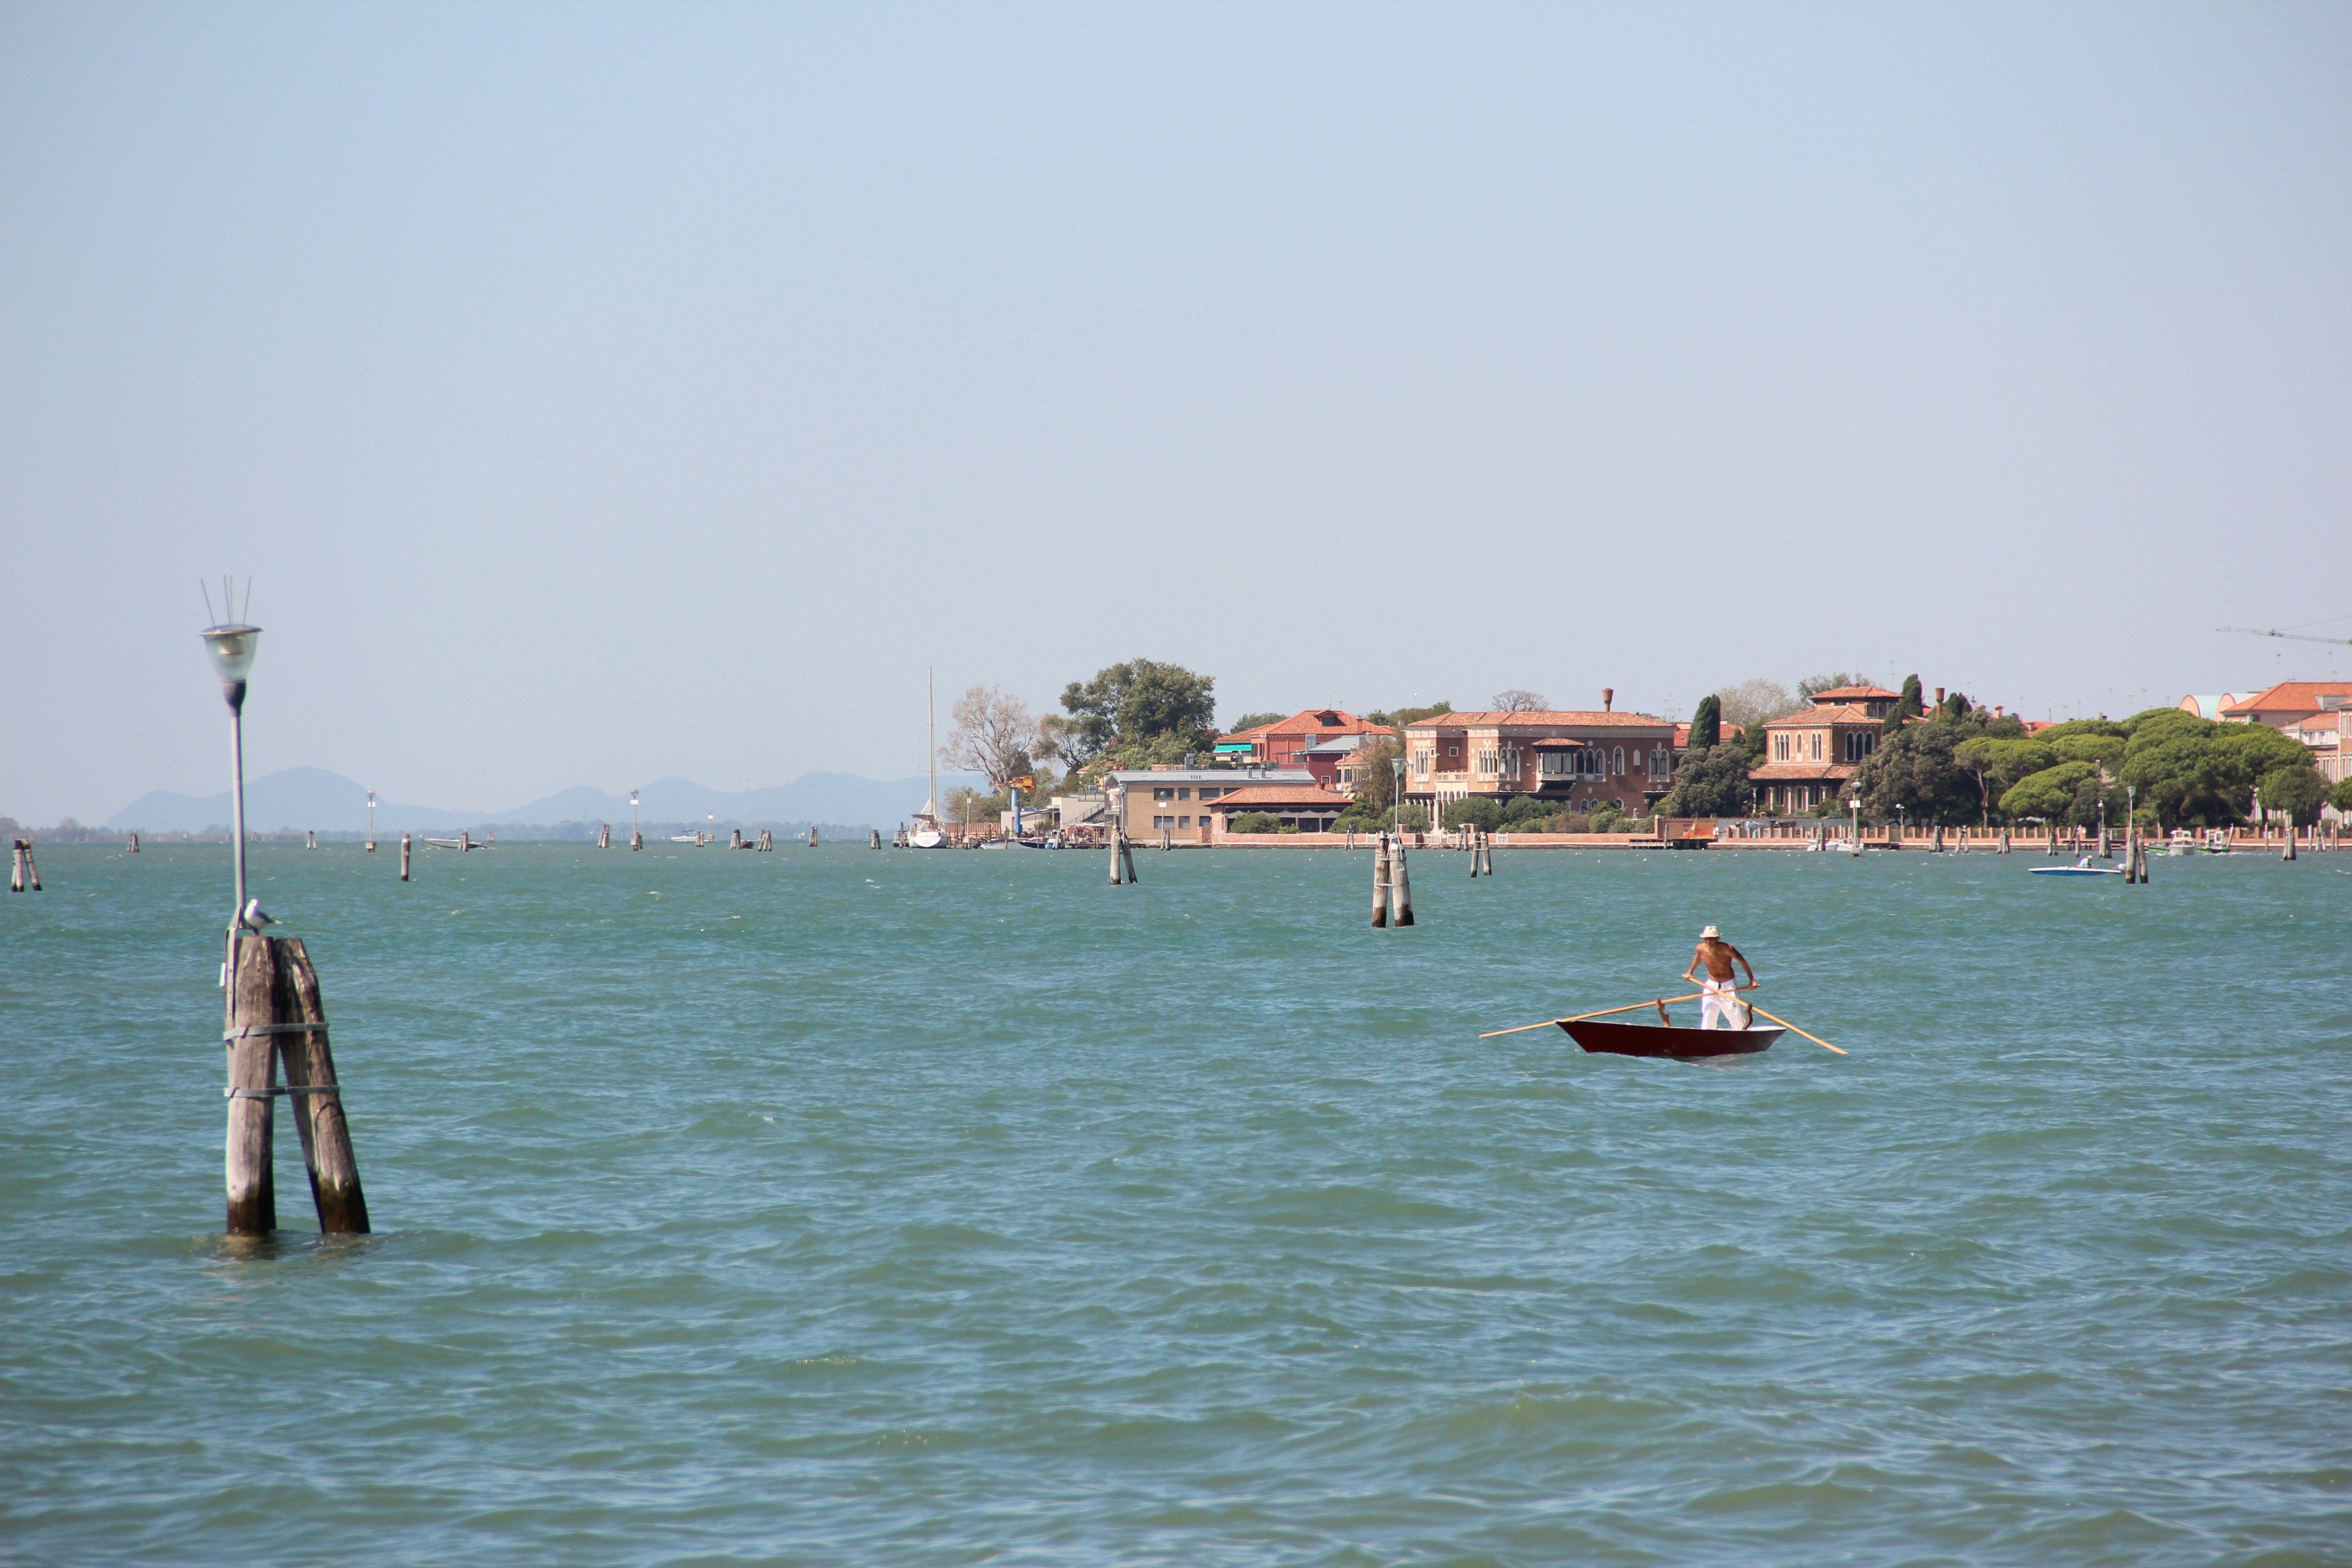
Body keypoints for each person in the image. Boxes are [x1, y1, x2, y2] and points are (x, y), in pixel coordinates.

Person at [1682, 924, 1756, 1029]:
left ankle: (1742, 1035)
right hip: (1711, 985)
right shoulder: (1700, 949)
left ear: (1718, 938)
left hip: (1729, 986)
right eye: (1706, 939)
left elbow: (1743, 962)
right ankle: (1707, 1038)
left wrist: (1752, 980)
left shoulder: (1728, 949)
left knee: (1735, 1017)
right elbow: (1699, 957)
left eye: (1711, 939)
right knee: (1708, 1015)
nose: (1708, 941)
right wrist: (1690, 972)